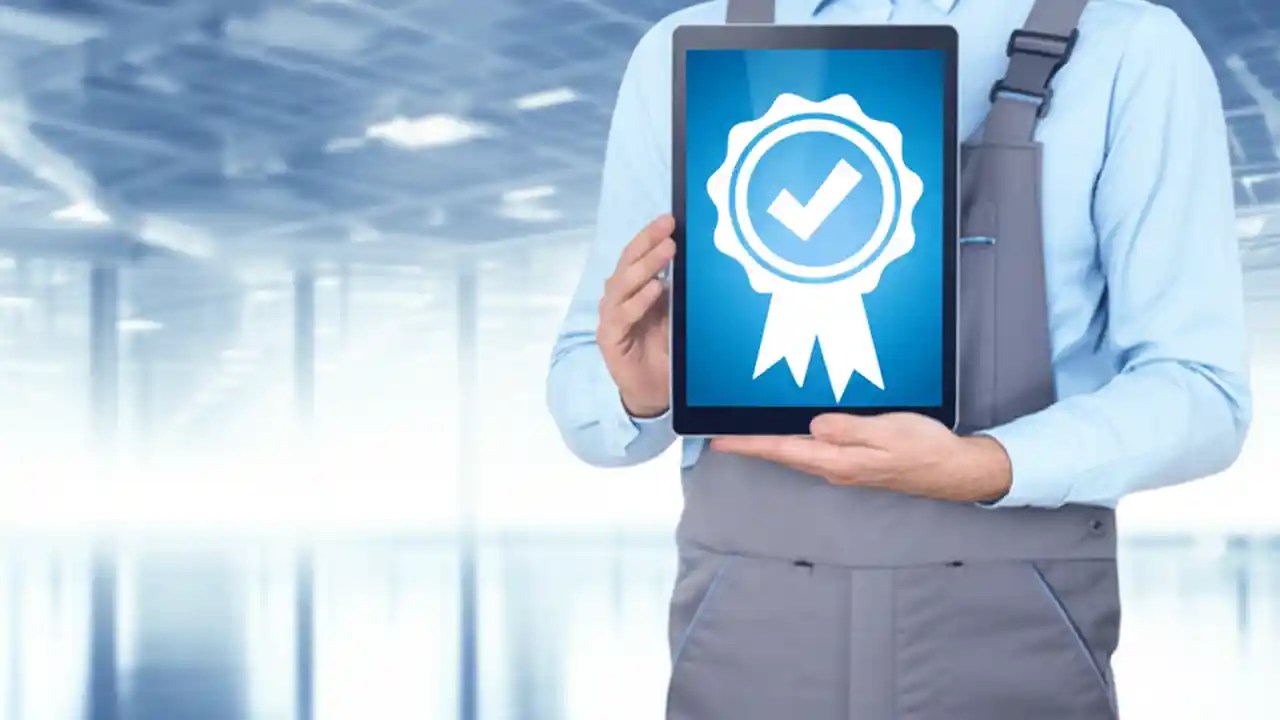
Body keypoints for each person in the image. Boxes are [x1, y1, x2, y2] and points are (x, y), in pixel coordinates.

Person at [547, 0, 1252, 717]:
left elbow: (1202, 392)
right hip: (746, 645)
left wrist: (988, 465)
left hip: (1013, 644)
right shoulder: (683, 53)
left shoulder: (1128, 49)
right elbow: (587, 395)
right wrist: (645, 390)